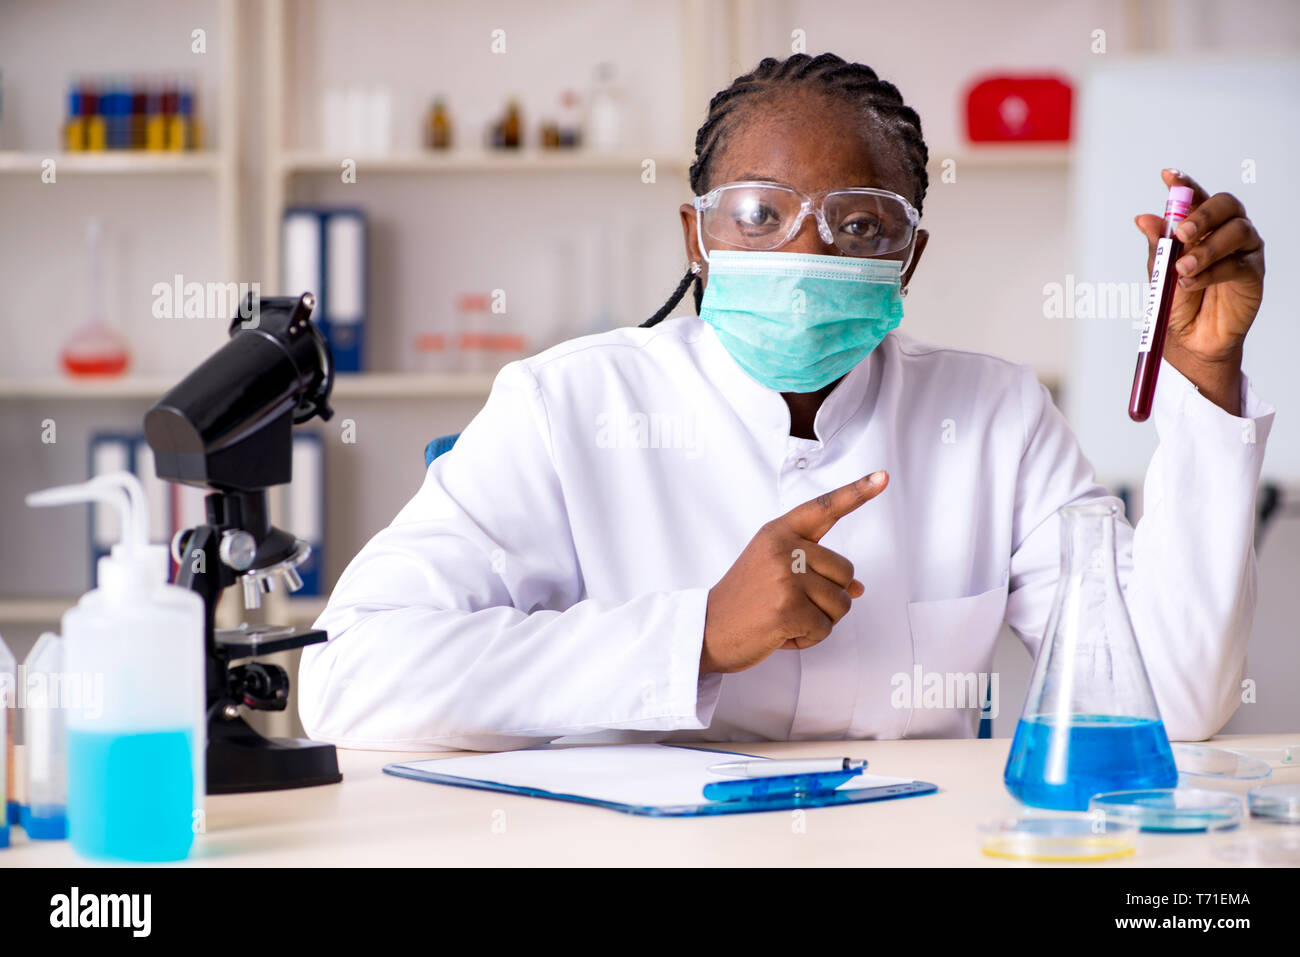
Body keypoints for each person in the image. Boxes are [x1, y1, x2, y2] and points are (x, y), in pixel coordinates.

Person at [299, 53, 1273, 751]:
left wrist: (1205, 380)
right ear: (696, 239)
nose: (805, 254)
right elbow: (350, 677)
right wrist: (697, 636)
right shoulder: (566, 405)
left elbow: (1171, 701)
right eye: (759, 215)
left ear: (910, 258)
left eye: (857, 223)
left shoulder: (994, 416)